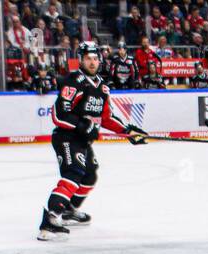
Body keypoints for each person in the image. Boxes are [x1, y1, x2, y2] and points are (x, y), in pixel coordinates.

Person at [38, 41, 148, 241]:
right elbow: (58, 114)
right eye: (88, 58)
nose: (92, 62)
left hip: (82, 140)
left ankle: (68, 210)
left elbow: (106, 118)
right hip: (67, 137)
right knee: (74, 173)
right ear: (80, 59)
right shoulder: (74, 82)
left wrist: (128, 131)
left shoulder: (102, 87)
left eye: (96, 58)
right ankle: (50, 221)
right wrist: (81, 125)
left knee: (89, 176)